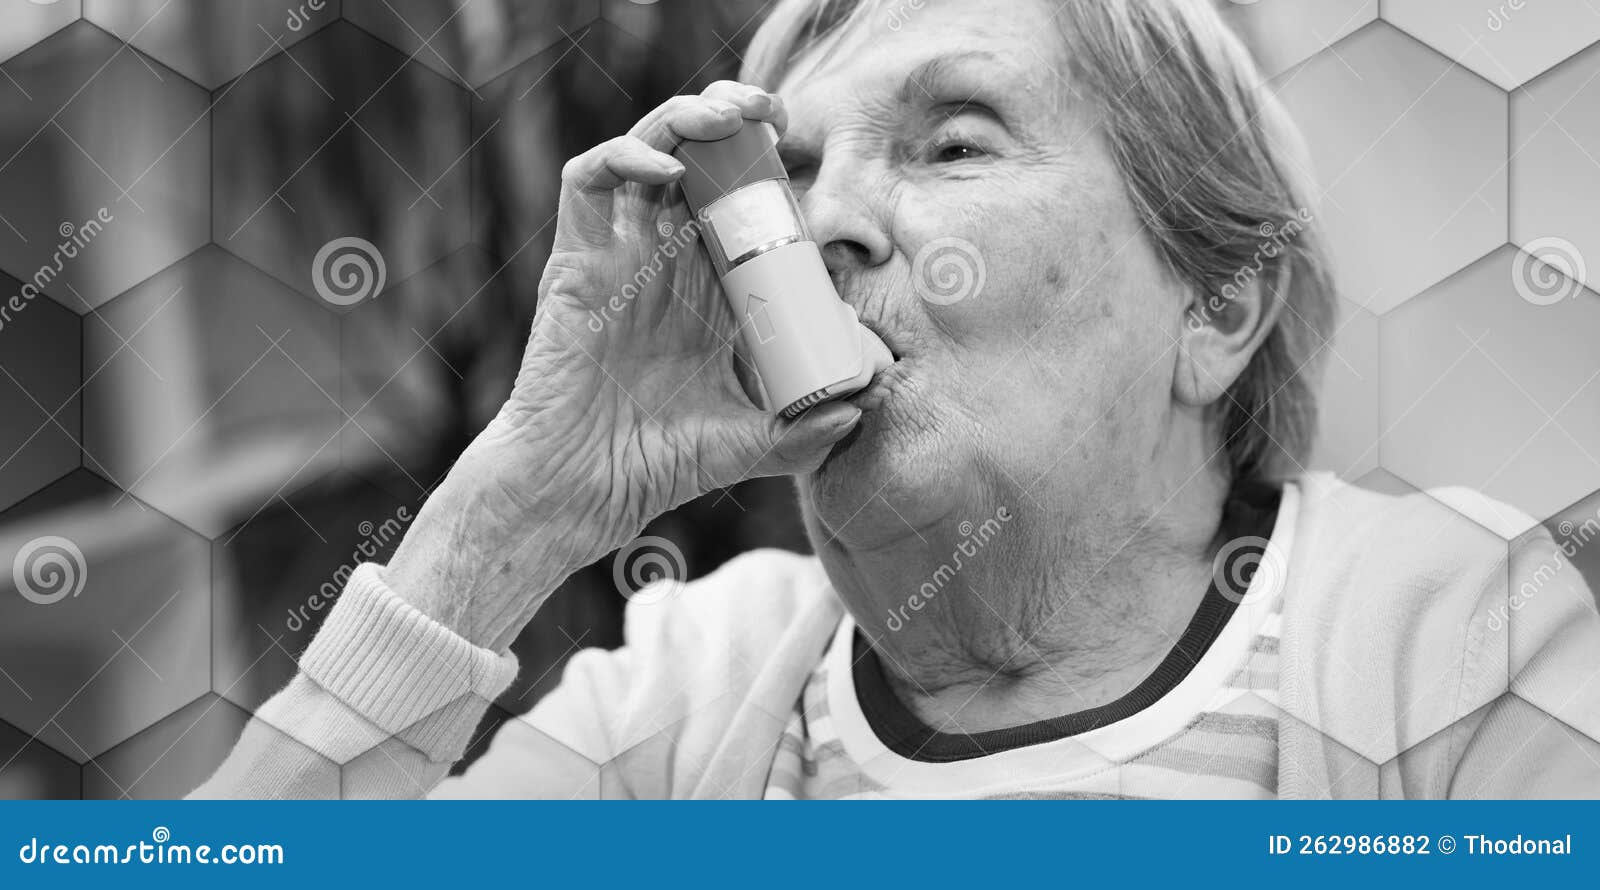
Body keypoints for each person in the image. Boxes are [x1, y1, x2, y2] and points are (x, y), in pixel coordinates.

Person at [195, 0, 1600, 799]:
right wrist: (514, 511)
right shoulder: (696, 690)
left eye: (951, 143)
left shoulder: (1458, 645)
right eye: (784, 175)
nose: (825, 224)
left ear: (1217, 305)